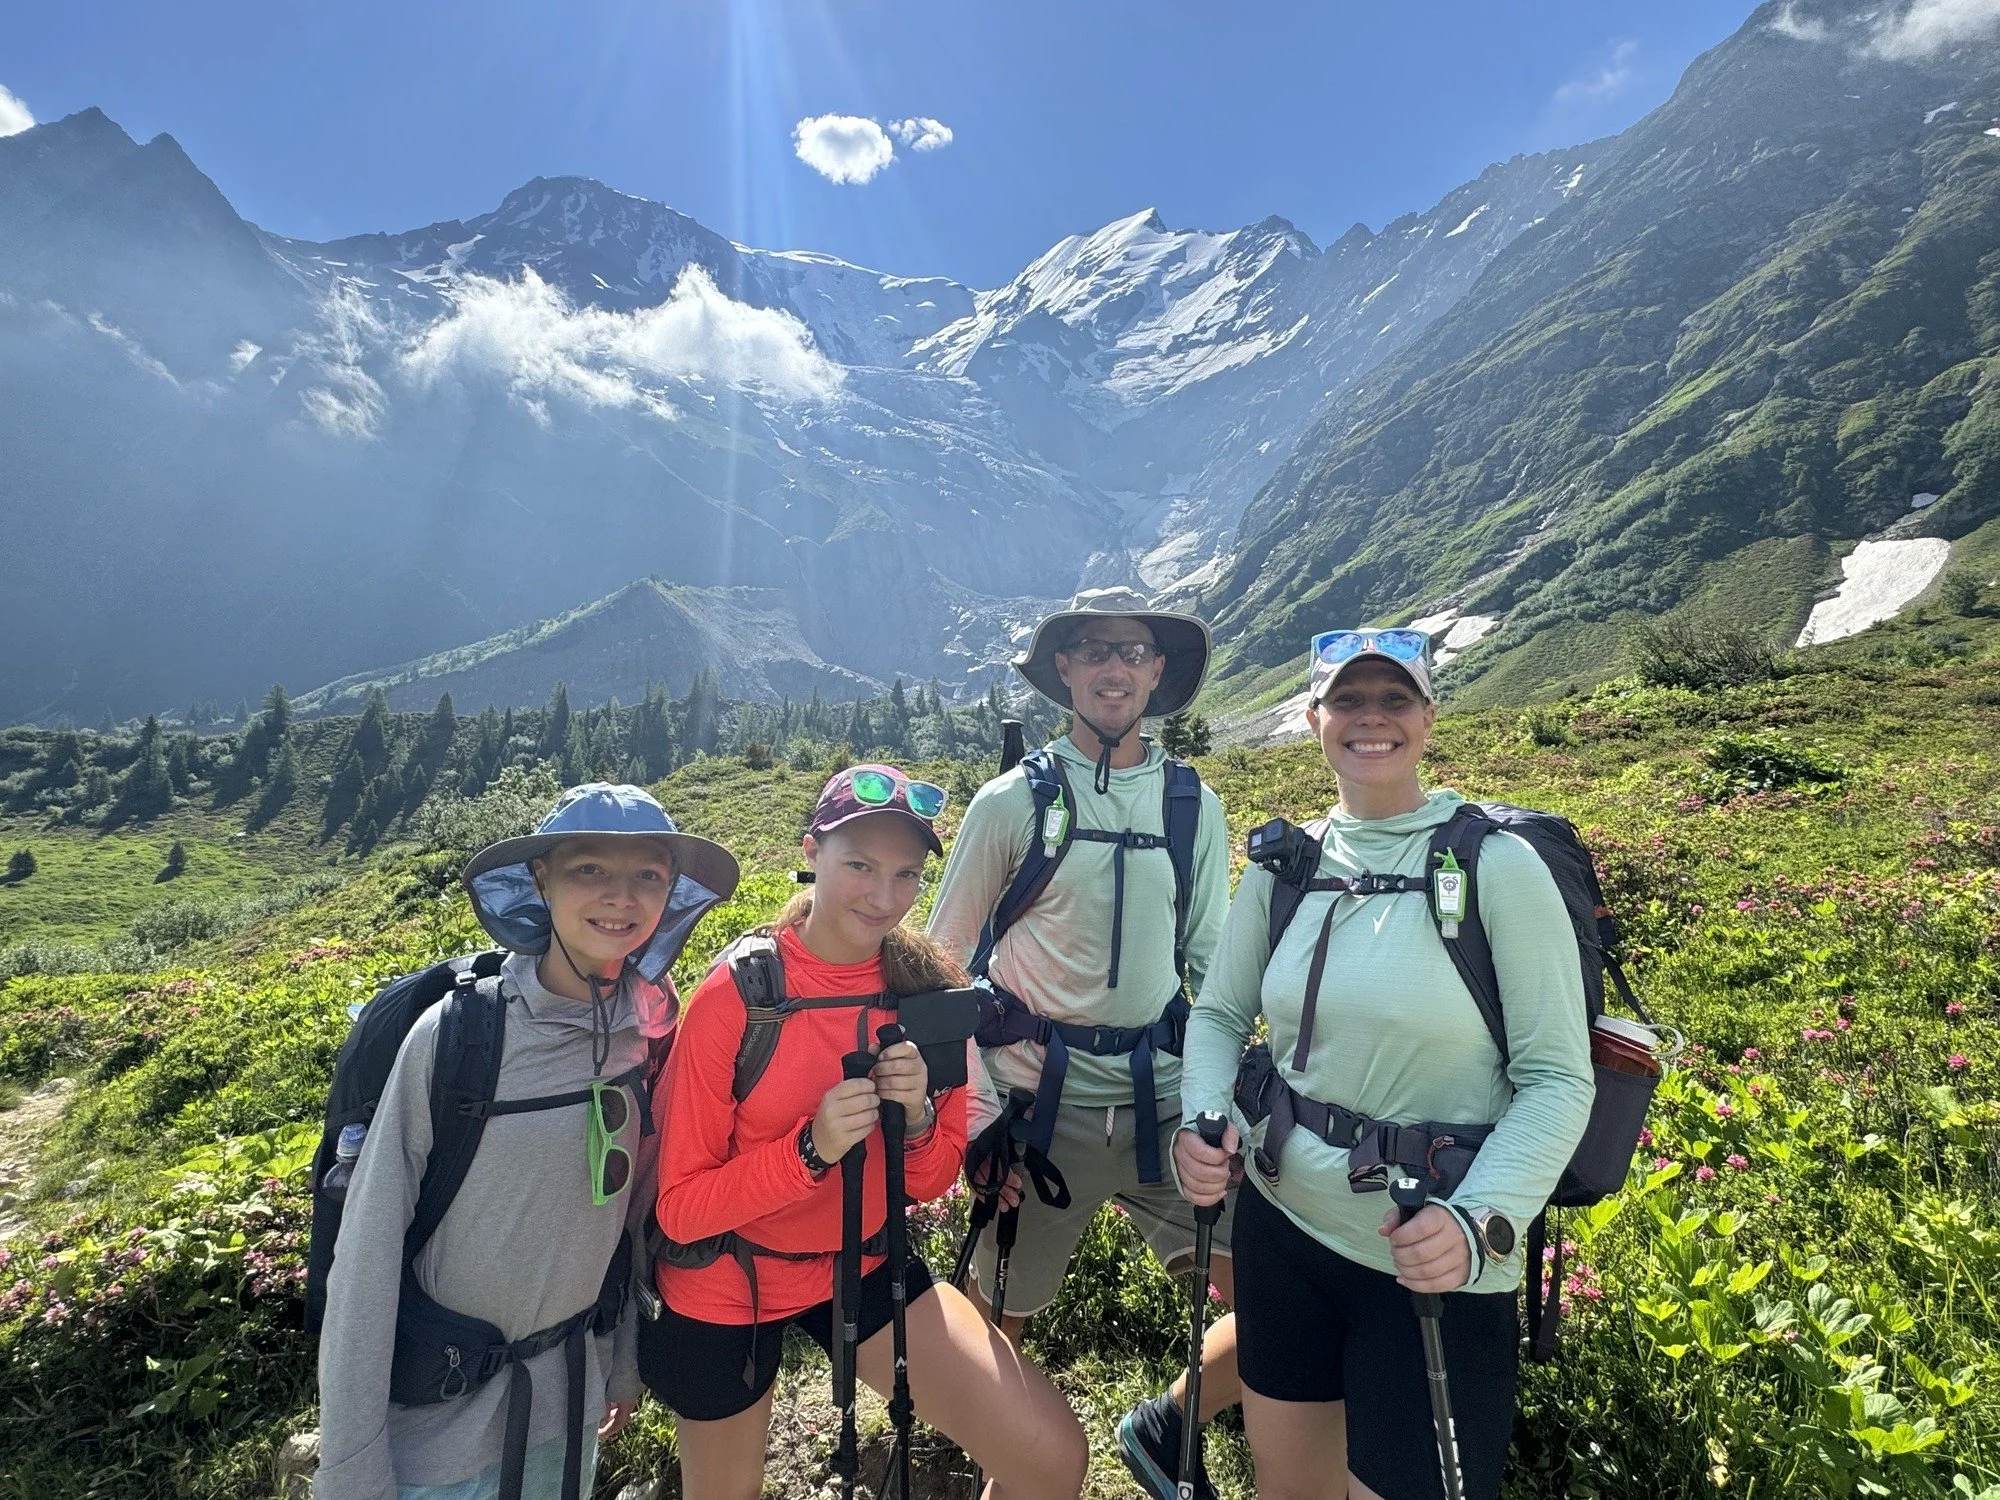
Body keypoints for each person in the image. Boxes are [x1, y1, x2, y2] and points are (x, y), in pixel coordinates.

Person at [1174, 630, 1596, 1500]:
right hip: (1283, 1229)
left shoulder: (1498, 865)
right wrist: (1201, 1117)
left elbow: (1558, 1076)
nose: (1372, 719)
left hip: (1435, 1253)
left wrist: (1480, 1222)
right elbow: (1218, 1013)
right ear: (1314, 720)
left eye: (1394, 700)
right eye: (1349, 701)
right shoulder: (1286, 865)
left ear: (1429, 717)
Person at [642, 764, 1087, 1500]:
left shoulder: (931, 994)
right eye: (860, 866)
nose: (885, 897)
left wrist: (914, 1121)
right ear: (813, 852)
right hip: (724, 1281)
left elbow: (929, 1178)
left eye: (907, 875)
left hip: (864, 1261)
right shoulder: (738, 995)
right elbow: (680, 1210)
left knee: (1052, 1459)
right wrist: (808, 1151)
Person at [316, 782, 741, 1500]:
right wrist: (351, 1467)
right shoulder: (457, 1038)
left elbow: (628, 1222)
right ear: (540, 880)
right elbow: (365, 1254)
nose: (621, 897)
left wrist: (622, 1365)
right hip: (432, 1439)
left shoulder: (647, 1036)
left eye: (647, 876)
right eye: (589, 870)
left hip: (568, 1414)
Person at [927, 587, 1238, 1500]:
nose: (1116, 667)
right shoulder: (1008, 803)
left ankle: (1168, 1422)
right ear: (1062, 668)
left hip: (1167, 1105)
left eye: (1134, 652)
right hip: (1032, 1112)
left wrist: (1219, 1103)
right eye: (1095, 650)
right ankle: (1008, 1478)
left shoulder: (1194, 806)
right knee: (996, 1334)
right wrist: (978, 1121)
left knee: (1280, 1300)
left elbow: (1213, 972)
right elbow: (946, 970)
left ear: (1156, 673)